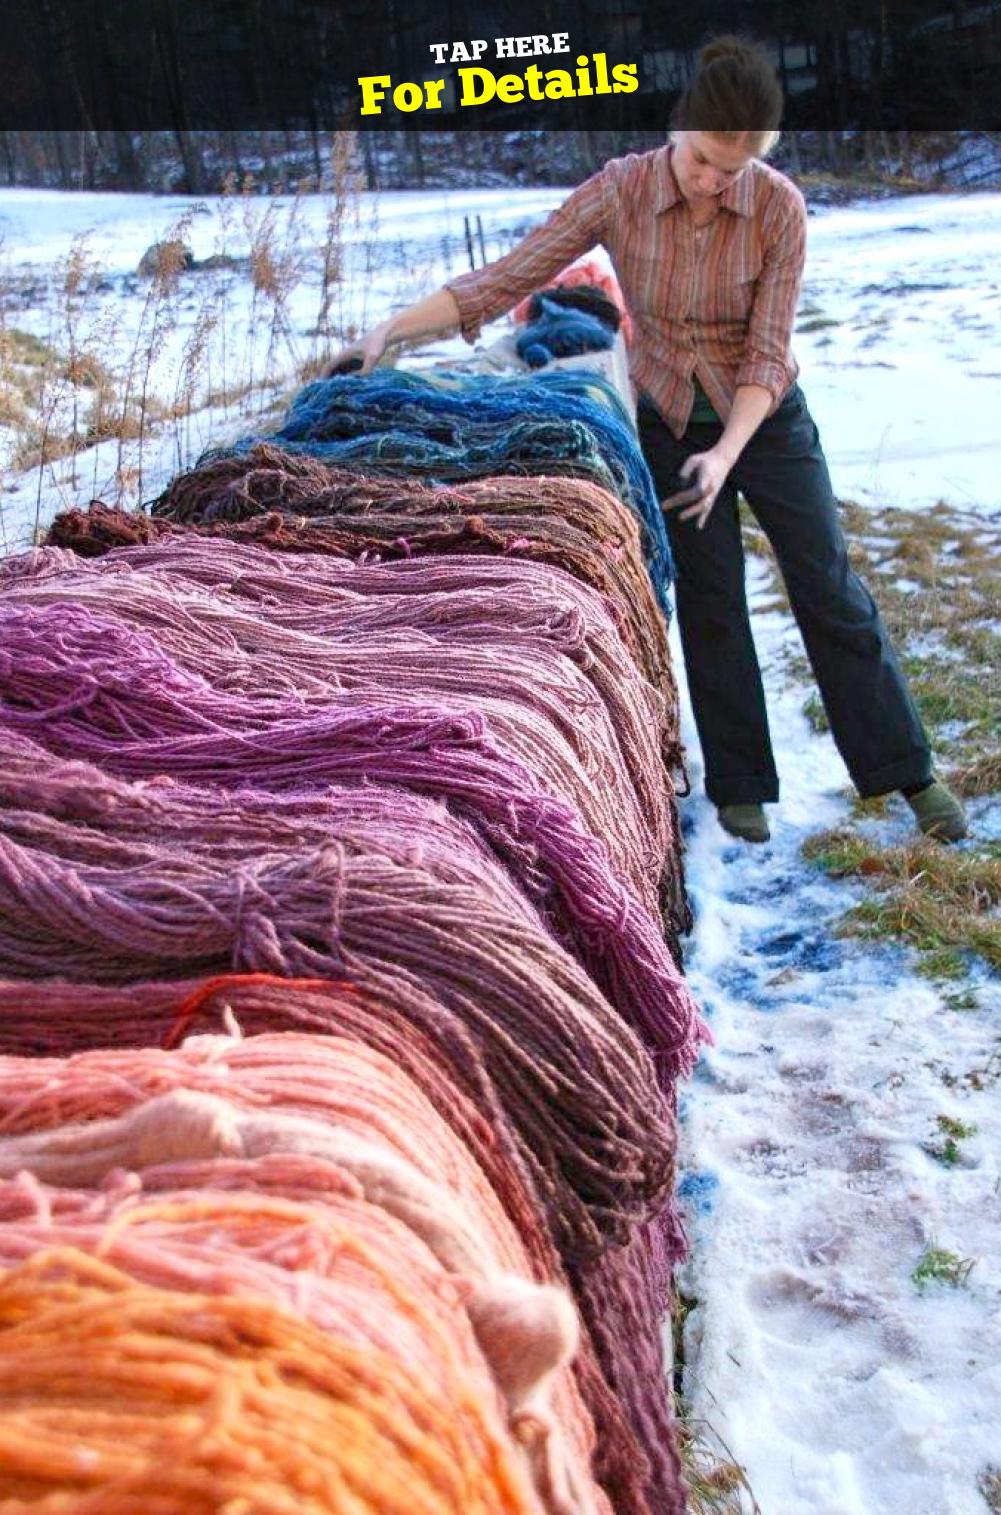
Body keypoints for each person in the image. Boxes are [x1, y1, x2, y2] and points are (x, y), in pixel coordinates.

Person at [328, 37, 967, 846]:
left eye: (729, 172)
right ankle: (740, 786)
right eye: (701, 160)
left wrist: (727, 452)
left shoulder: (778, 209)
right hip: (669, 418)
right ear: (682, 127)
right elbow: (505, 279)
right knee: (709, 600)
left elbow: (768, 351)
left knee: (829, 588)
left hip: (761, 418)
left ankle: (906, 772)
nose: (709, 182)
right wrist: (390, 331)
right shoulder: (620, 191)